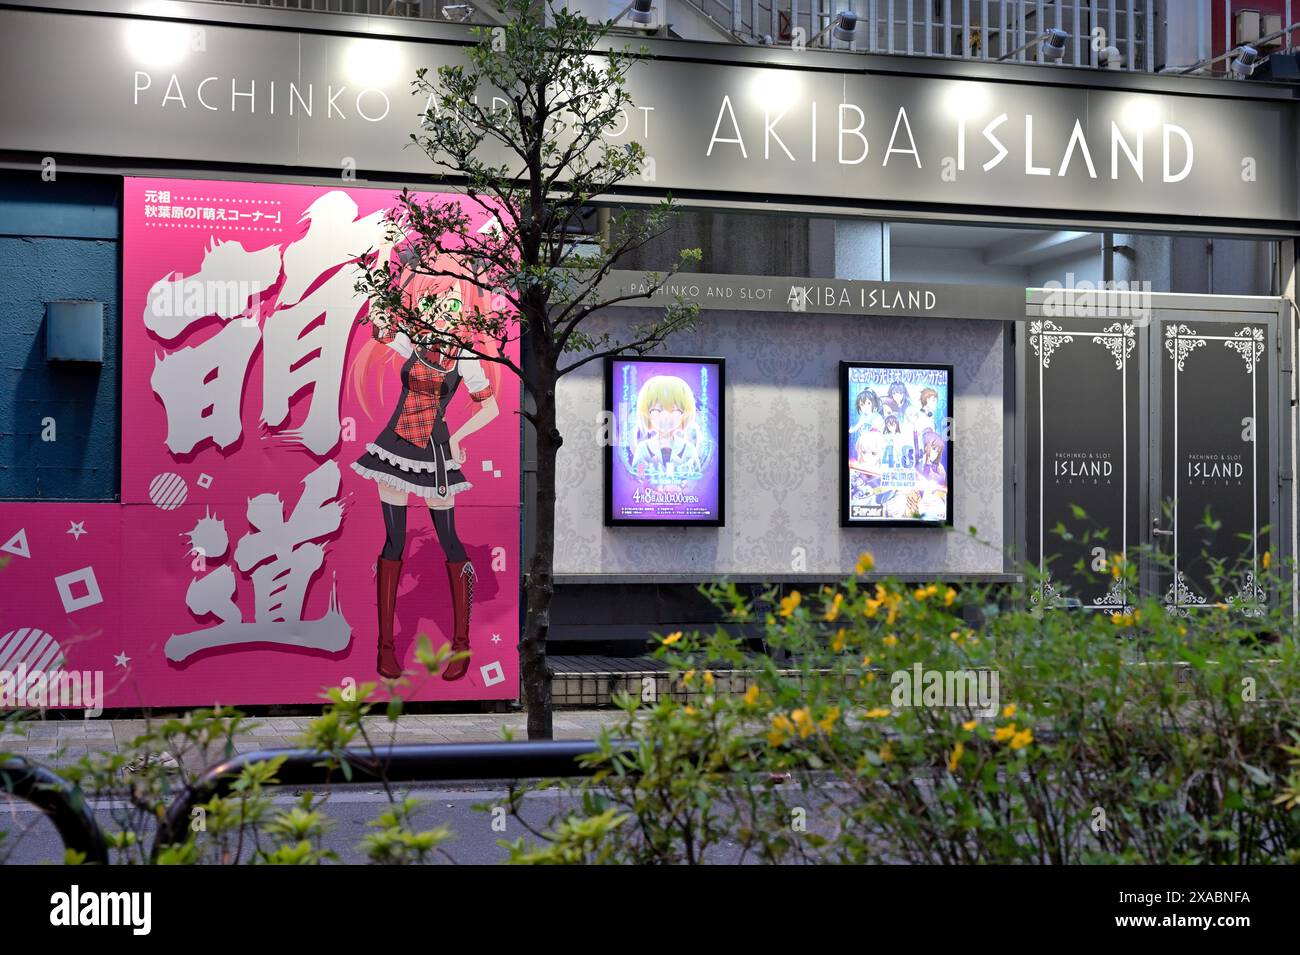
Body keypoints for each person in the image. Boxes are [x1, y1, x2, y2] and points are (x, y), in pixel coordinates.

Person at [350, 267, 499, 681]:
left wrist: (458, 437)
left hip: (435, 451)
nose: (442, 312)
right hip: (396, 447)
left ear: (462, 313)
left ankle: (462, 644)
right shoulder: (412, 344)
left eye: (451, 306)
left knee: (449, 539)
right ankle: (386, 648)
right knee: (394, 539)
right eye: (435, 304)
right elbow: (380, 325)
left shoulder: (466, 357)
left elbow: (491, 407)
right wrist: (389, 268)